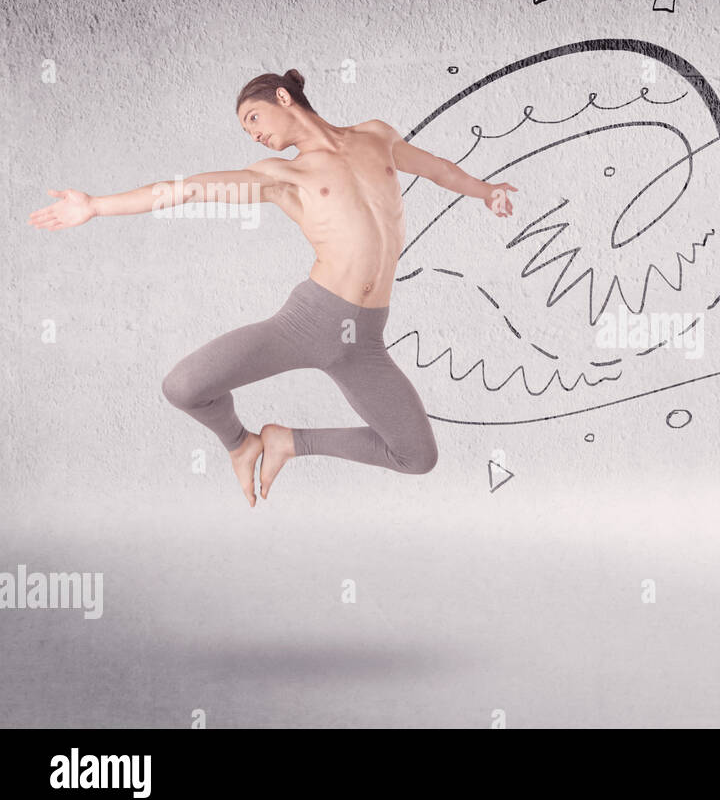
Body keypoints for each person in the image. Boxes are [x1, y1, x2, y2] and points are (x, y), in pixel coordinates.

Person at [27, 68, 518, 508]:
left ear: (284, 97)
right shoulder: (283, 175)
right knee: (184, 387)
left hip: (363, 340)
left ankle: (288, 441)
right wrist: (95, 205)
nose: (254, 133)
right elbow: (190, 188)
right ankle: (242, 444)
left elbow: (437, 168)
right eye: (247, 129)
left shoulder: (377, 136)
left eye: (254, 117)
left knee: (416, 456)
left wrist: (486, 191)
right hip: (311, 320)